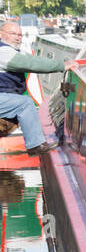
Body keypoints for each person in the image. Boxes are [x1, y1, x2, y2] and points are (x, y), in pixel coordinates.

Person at [0, 20, 67, 154]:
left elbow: (33, 60)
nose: (18, 37)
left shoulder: (13, 51)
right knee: (24, 104)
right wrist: (62, 66)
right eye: (13, 34)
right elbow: (31, 63)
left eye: (20, 35)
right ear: (1, 34)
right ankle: (35, 146)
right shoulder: (3, 52)